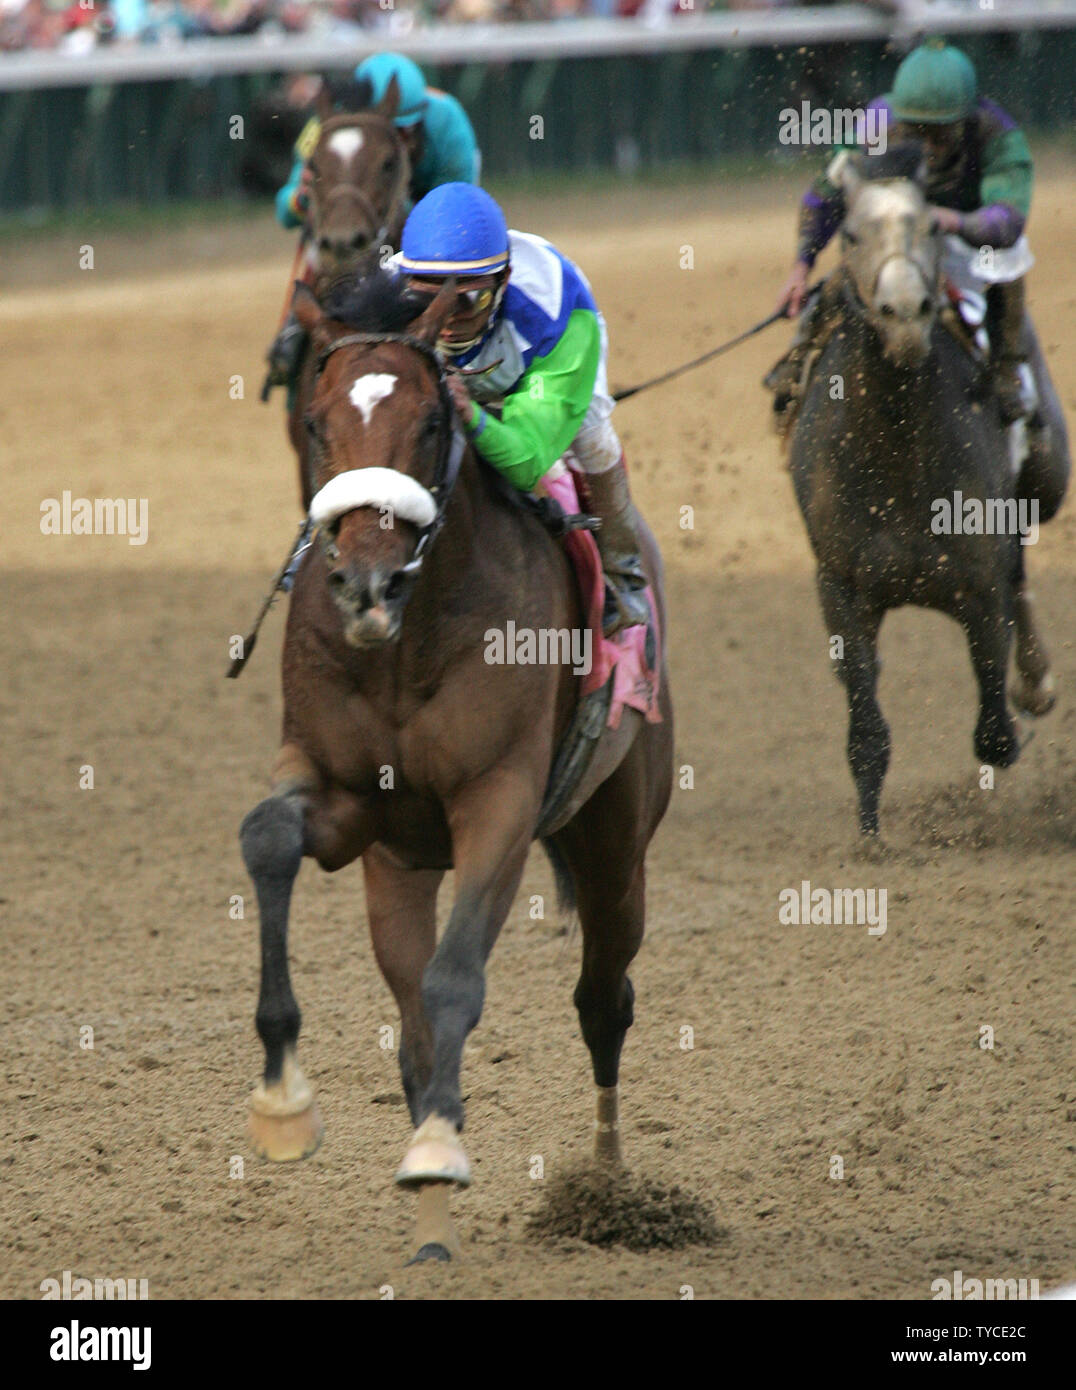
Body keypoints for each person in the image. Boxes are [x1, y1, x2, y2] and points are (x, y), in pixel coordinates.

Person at [393, 182, 651, 636]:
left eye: (468, 299)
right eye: (427, 301)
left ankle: (622, 570)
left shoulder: (557, 319)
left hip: (536, 361)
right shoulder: (390, 290)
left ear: (504, 279)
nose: (447, 318)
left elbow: (531, 461)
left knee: (593, 441)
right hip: (472, 365)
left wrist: (472, 415)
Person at [767, 38, 1036, 428]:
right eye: (918, 130)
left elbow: (1008, 221)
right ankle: (799, 357)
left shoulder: (998, 135)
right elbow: (824, 197)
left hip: (966, 244)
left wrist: (951, 221)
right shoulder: (878, 122)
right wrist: (799, 268)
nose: (928, 145)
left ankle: (1008, 366)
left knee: (1011, 259)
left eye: (940, 134)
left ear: (965, 118)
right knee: (853, 262)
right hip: (896, 238)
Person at [266, 52, 480, 390]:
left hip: (429, 212)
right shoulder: (324, 128)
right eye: (395, 130)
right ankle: (292, 338)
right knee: (324, 242)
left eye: (410, 128)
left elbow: (458, 211)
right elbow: (284, 209)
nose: (403, 139)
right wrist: (302, 197)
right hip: (358, 228)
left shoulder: (448, 121)